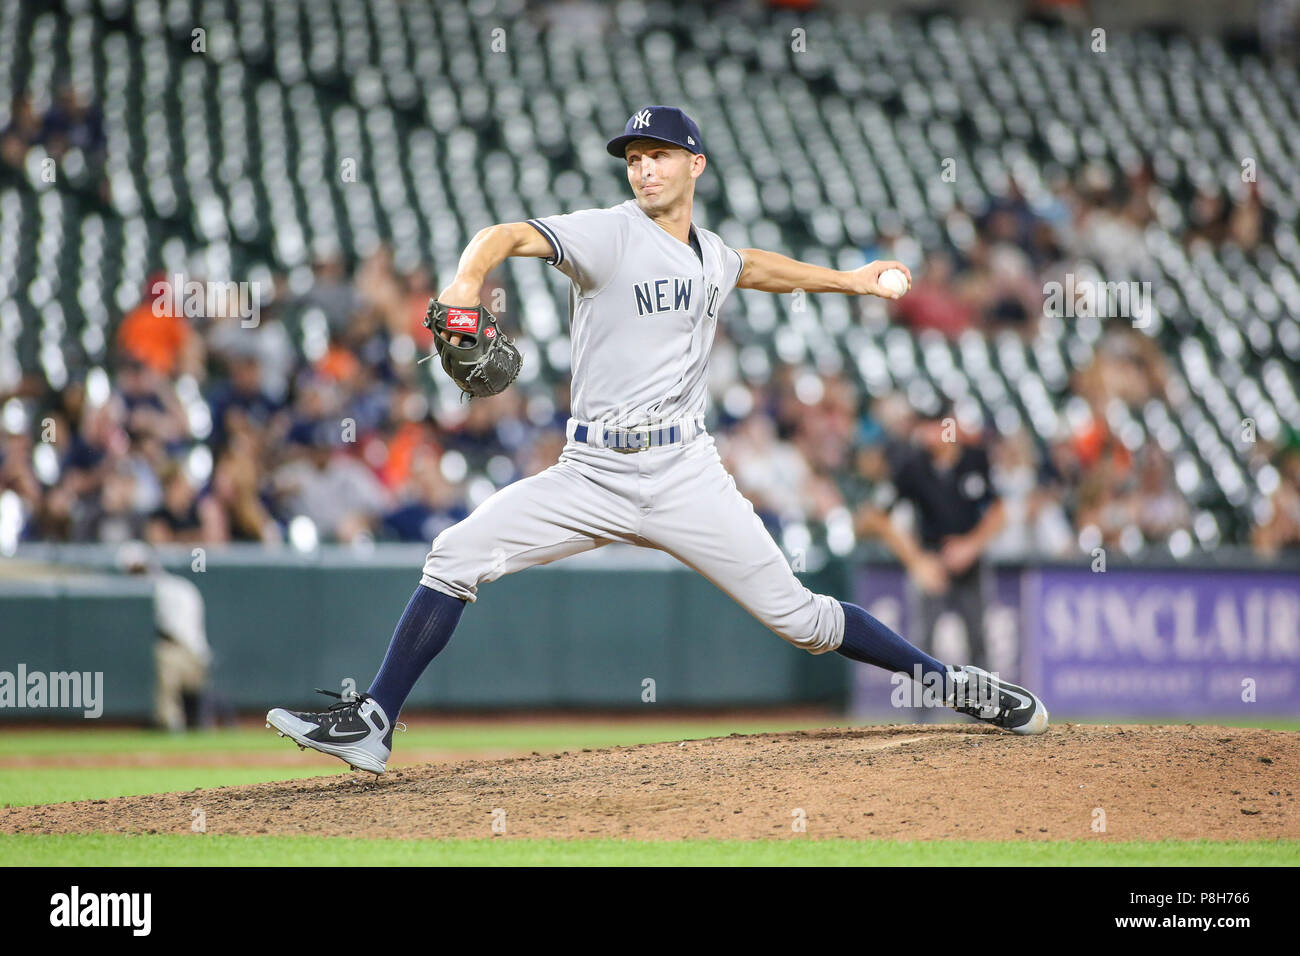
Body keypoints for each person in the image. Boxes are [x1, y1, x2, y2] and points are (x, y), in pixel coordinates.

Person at [266, 106, 1048, 773]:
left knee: (805, 622)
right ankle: (375, 722)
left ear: (694, 165)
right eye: (634, 158)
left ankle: (956, 685)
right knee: (455, 554)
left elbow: (753, 267)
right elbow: (501, 235)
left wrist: (847, 280)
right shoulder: (608, 234)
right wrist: (467, 281)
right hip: (591, 470)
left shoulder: (711, 254)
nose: (643, 169)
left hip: (685, 472)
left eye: (659, 156)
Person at [118, 541, 212, 732]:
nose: (136, 575)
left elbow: (180, 635)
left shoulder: (166, 589)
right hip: (196, 654)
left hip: (187, 654)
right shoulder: (176, 586)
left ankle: (170, 724)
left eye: (138, 569)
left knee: (164, 655)